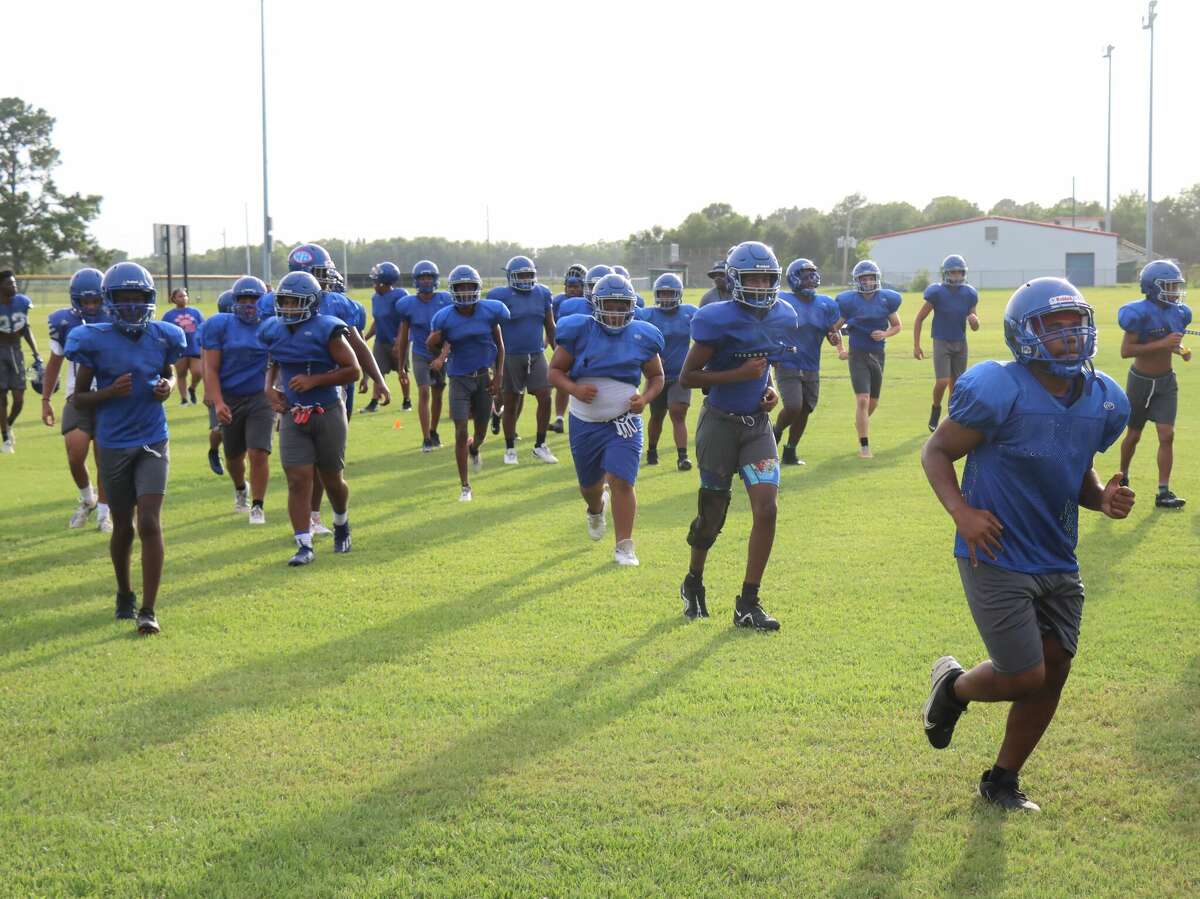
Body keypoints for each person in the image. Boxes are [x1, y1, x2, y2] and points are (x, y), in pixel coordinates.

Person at [921, 276, 1133, 812]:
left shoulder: (1103, 398)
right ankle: (953, 688)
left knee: (1054, 669)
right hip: (995, 550)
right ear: (1023, 333)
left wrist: (1101, 498)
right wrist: (962, 513)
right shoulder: (999, 388)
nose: (1067, 336)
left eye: (1074, 324)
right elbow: (936, 452)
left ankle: (1002, 780)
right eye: (1052, 326)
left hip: (1057, 551)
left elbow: (1074, 464)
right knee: (1023, 674)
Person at [678, 242, 797, 627]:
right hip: (719, 424)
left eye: (766, 278)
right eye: (752, 278)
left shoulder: (783, 315)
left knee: (767, 508)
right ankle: (694, 579)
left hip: (756, 426)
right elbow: (688, 377)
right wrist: (738, 375)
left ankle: (748, 601)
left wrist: (770, 388)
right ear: (734, 279)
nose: (761, 286)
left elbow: (767, 364)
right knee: (712, 515)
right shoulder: (716, 319)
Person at [65, 262, 187, 635]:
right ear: (110, 301)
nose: (132, 306)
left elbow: (168, 371)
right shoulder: (93, 339)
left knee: (148, 521)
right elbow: (78, 399)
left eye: (138, 298)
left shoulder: (163, 335)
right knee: (122, 527)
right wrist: (109, 392)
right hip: (114, 442)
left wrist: (167, 386)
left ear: (150, 299)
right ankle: (124, 592)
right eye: (124, 298)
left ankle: (148, 610)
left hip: (152, 438)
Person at [550, 273, 664, 566]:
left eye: (621, 306)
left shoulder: (642, 335)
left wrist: (645, 398)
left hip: (623, 421)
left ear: (631, 306)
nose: (615, 313)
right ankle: (595, 508)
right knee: (590, 487)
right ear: (596, 305)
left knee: (621, 480)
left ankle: (625, 546)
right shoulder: (579, 330)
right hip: (584, 421)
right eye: (609, 306)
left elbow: (656, 376)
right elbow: (554, 371)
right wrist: (574, 388)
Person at [257, 271, 361, 566]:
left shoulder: (327, 329)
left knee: (332, 479)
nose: (289, 308)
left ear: (312, 302)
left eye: (295, 302)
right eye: (285, 301)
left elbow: (353, 371)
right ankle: (304, 543)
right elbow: (274, 360)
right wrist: (269, 388)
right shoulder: (273, 329)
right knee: (297, 480)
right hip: (293, 412)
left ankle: (341, 521)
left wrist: (314, 380)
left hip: (327, 410)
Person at [427, 265, 509, 501]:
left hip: (483, 377)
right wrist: (440, 354)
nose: (464, 292)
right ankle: (465, 486)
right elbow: (431, 344)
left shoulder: (490, 312)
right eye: (460, 287)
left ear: (477, 287)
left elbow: (500, 346)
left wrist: (499, 376)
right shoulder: (444, 317)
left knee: (480, 432)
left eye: (468, 287)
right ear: (453, 290)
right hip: (459, 379)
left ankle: (475, 448)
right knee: (461, 430)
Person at [40, 267, 112, 532]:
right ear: (75, 299)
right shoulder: (64, 322)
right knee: (75, 454)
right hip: (77, 395)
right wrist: (46, 399)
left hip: (109, 395)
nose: (91, 306)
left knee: (104, 458)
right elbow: (55, 362)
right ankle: (87, 498)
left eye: (95, 300)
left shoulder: (115, 319)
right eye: (86, 301)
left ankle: (104, 513)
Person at [1117, 259, 1192, 509]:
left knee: (1167, 435)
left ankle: (1163, 492)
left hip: (1166, 383)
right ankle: (1123, 475)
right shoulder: (1138, 314)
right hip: (1140, 382)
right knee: (1133, 435)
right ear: (1153, 287)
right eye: (1169, 286)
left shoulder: (1179, 312)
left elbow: (1171, 341)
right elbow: (1126, 351)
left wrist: (1180, 350)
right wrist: (1164, 343)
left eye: (1176, 286)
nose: (1175, 291)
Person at [201, 276, 274, 525]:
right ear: (234, 301)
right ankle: (241, 488)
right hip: (229, 396)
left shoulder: (272, 324)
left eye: (253, 299)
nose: (248, 304)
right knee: (234, 457)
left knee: (258, 452)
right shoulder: (220, 325)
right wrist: (218, 402)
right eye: (243, 299)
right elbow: (211, 368)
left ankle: (258, 505)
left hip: (260, 397)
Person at [772, 259, 843, 465]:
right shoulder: (781, 300)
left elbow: (832, 332)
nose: (810, 280)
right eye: (805, 276)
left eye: (813, 275)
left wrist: (835, 337)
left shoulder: (825, 304)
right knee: (793, 406)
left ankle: (790, 451)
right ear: (794, 278)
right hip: (787, 362)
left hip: (811, 364)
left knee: (805, 410)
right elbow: (768, 326)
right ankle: (775, 432)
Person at [489, 255, 558, 465]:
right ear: (511, 277)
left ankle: (540, 445)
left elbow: (550, 326)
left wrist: (558, 352)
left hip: (536, 353)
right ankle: (510, 449)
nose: (526, 279)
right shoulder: (499, 296)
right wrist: (494, 361)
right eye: (521, 275)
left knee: (545, 396)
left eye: (529, 275)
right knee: (511, 402)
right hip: (510, 355)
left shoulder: (542, 293)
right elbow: (491, 328)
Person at [836, 259, 902, 458]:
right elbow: (834, 328)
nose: (867, 282)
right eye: (863, 279)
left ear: (876, 278)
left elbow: (897, 325)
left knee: (872, 402)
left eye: (870, 278)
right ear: (857, 280)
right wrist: (841, 349)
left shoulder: (886, 300)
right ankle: (864, 447)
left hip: (878, 354)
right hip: (857, 354)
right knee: (863, 400)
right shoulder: (849, 301)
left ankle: (860, 422)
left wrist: (885, 334)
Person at [636, 272, 697, 470]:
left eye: (670, 293)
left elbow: (706, 334)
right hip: (656, 376)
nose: (666, 297)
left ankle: (682, 457)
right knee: (657, 415)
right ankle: (652, 450)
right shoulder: (647, 315)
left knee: (678, 413)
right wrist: (648, 356)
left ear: (679, 293)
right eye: (662, 293)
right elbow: (634, 336)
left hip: (681, 375)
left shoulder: (689, 312)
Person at [913, 254, 980, 432]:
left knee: (957, 386)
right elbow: (919, 318)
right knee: (942, 381)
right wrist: (916, 345)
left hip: (960, 342)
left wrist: (975, 321)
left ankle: (951, 418)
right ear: (945, 273)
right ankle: (936, 408)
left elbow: (975, 326)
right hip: (941, 340)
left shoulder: (969, 294)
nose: (956, 276)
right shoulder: (936, 292)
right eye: (953, 272)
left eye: (960, 272)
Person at [395, 260, 453, 452]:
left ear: (435, 279)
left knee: (438, 393)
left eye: (429, 277)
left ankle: (434, 431)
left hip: (440, 353)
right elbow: (404, 338)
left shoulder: (445, 300)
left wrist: (442, 357)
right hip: (420, 353)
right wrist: (401, 366)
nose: (426, 281)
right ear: (416, 280)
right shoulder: (408, 304)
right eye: (422, 277)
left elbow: (451, 333)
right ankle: (426, 438)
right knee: (424, 391)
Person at [361, 261, 410, 413]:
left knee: (402, 371)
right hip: (381, 341)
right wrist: (365, 338)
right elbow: (377, 321)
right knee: (377, 372)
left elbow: (404, 321)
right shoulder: (375, 298)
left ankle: (406, 400)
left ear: (384, 282)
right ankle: (374, 401)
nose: (373, 284)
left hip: (397, 341)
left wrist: (399, 342)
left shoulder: (400, 295)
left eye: (376, 282)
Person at [0, 269, 40, 453]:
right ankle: (6, 439)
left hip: (16, 352)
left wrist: (36, 353)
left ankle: (7, 424)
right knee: (1, 397)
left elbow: (25, 329)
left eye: (14, 282)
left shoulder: (22, 302)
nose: (14, 286)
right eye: (9, 283)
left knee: (19, 398)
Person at [550, 263, 588, 433]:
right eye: (570, 286)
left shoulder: (590, 302)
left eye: (576, 286)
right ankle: (559, 418)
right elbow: (552, 324)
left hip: (586, 348)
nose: (572, 289)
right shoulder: (559, 301)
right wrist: (550, 341)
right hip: (566, 346)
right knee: (563, 382)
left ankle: (585, 417)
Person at [161, 287, 205, 406]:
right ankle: (184, 399)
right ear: (174, 299)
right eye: (180, 296)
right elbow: (164, 332)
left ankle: (192, 388)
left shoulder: (195, 312)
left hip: (195, 348)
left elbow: (203, 328)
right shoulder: (169, 315)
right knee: (181, 374)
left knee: (198, 372)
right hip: (179, 349)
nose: (184, 298)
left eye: (185, 295)